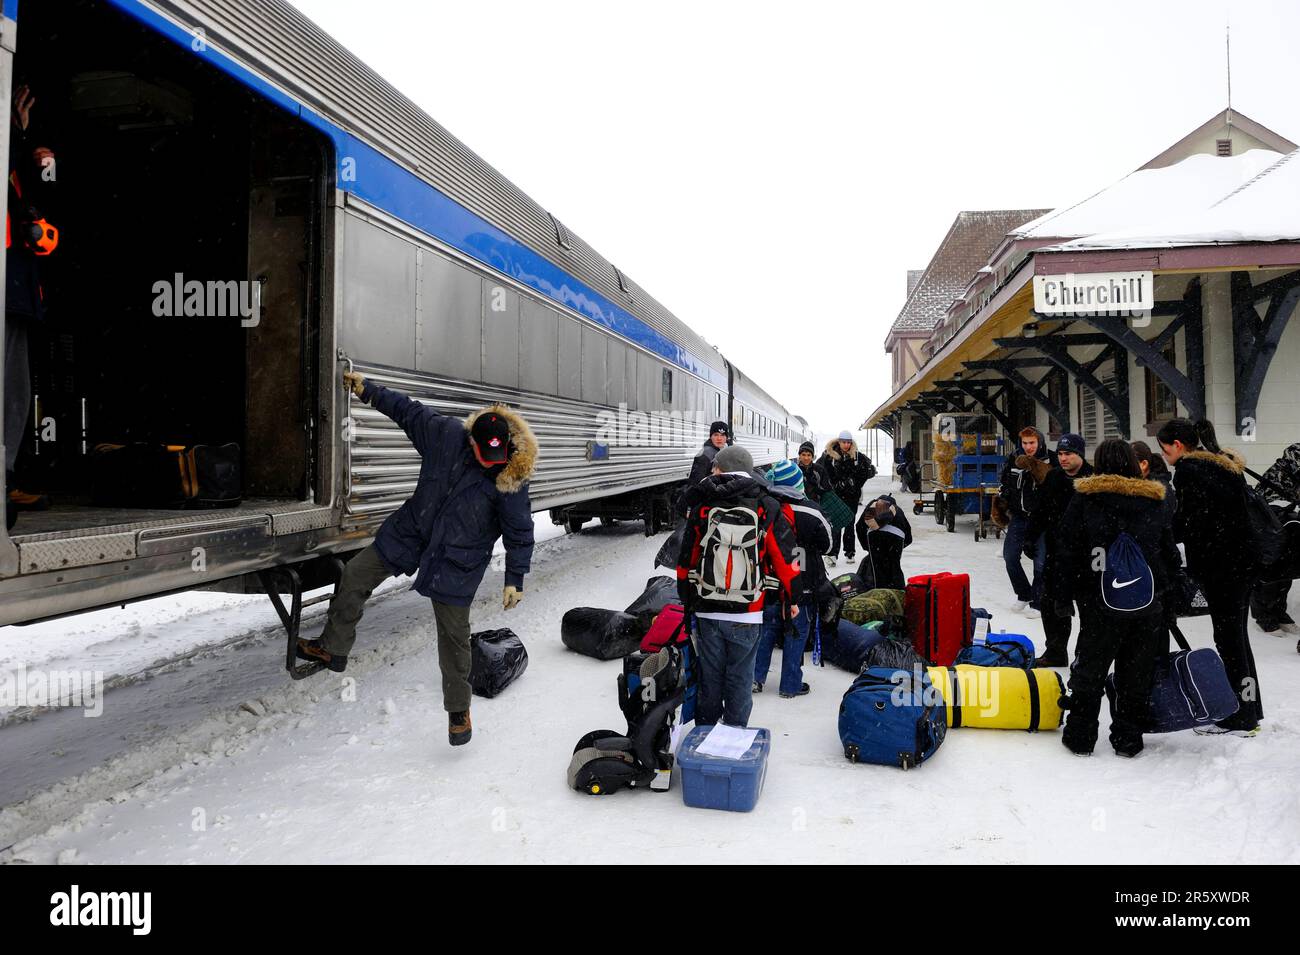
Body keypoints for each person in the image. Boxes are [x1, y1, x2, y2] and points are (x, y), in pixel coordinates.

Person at [296, 369, 537, 746]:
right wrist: (367, 390)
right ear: (471, 439)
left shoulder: (509, 478)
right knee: (355, 575)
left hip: (459, 558)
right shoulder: (444, 436)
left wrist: (515, 578)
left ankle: (458, 711)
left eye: (497, 455)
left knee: (454, 637)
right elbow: (406, 410)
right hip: (411, 532)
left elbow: (520, 532)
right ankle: (332, 648)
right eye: (483, 453)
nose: (491, 461)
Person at [1056, 439, 1182, 758]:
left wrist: (1061, 594)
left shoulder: (1086, 498)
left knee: (1091, 668)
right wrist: (1167, 598)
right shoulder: (1155, 501)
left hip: (1098, 599)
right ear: (1131, 462)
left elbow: (1066, 549)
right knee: (1136, 670)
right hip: (1146, 601)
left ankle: (1081, 734)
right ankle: (1128, 737)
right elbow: (1168, 554)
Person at [676, 444, 801, 727]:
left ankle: (705, 734)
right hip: (749, 609)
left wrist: (686, 594)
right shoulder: (765, 504)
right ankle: (734, 737)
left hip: (708, 607)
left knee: (710, 678)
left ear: (720, 468)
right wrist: (792, 598)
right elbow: (785, 558)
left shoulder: (703, 503)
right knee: (741, 679)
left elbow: (687, 556)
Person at [1157, 418, 1262, 736]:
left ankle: (1241, 717)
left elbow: (1193, 522)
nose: (1164, 455)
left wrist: (1161, 536)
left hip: (1223, 570)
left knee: (1229, 640)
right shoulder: (1224, 468)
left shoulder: (1190, 471)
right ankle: (1250, 708)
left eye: (1164, 449)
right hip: (1242, 566)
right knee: (1238, 639)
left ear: (1178, 445)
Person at [5, 83, 57, 529]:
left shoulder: (22, 164)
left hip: (17, 291)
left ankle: (6, 479)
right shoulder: (12, 150)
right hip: (7, 289)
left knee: (16, 391)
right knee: (8, 390)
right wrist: (17, 135)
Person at [753, 459, 831, 698]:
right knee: (796, 633)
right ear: (798, 484)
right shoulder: (811, 510)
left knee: (766, 631)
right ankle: (790, 684)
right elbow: (828, 545)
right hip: (803, 583)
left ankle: (754, 678)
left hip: (769, 582)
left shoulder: (764, 508)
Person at [1024, 432, 1093, 666]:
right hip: (1057, 552)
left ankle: (1085, 654)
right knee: (1050, 603)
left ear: (1080, 455)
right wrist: (1031, 537)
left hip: (1085, 555)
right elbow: (1040, 511)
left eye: (1069, 454)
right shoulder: (1053, 478)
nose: (1063, 458)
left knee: (1088, 607)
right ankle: (1056, 650)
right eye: (1061, 454)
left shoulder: (1092, 479)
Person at [998, 426, 1056, 616]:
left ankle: (1038, 602)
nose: (1028, 447)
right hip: (1020, 517)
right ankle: (1024, 593)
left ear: (1039, 442)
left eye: (1032, 443)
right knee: (1010, 556)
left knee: (1040, 562)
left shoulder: (1051, 458)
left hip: (1042, 520)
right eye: (1025, 443)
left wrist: (1034, 466)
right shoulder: (1014, 458)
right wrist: (1002, 501)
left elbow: (1056, 486)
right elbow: (1005, 481)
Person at [1247, 442, 1300, 635]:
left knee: (1287, 567)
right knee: (1269, 568)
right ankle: (1264, 615)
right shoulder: (1283, 470)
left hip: (1288, 522)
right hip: (1270, 523)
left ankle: (1279, 611)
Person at [817, 430, 875, 564]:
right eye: (844, 442)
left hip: (851, 496)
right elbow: (820, 472)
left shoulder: (857, 457)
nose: (846, 445)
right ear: (839, 441)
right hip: (835, 497)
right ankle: (832, 553)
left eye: (849, 442)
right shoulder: (827, 456)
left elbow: (865, 472)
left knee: (849, 524)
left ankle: (850, 552)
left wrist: (854, 484)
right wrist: (831, 486)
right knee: (835, 525)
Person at [853, 493, 912, 590]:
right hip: (896, 537)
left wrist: (867, 547)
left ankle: (878, 594)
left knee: (877, 571)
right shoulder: (898, 510)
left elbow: (859, 526)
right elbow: (909, 537)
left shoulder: (872, 505)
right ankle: (898, 592)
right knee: (894, 567)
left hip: (874, 537)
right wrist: (899, 547)